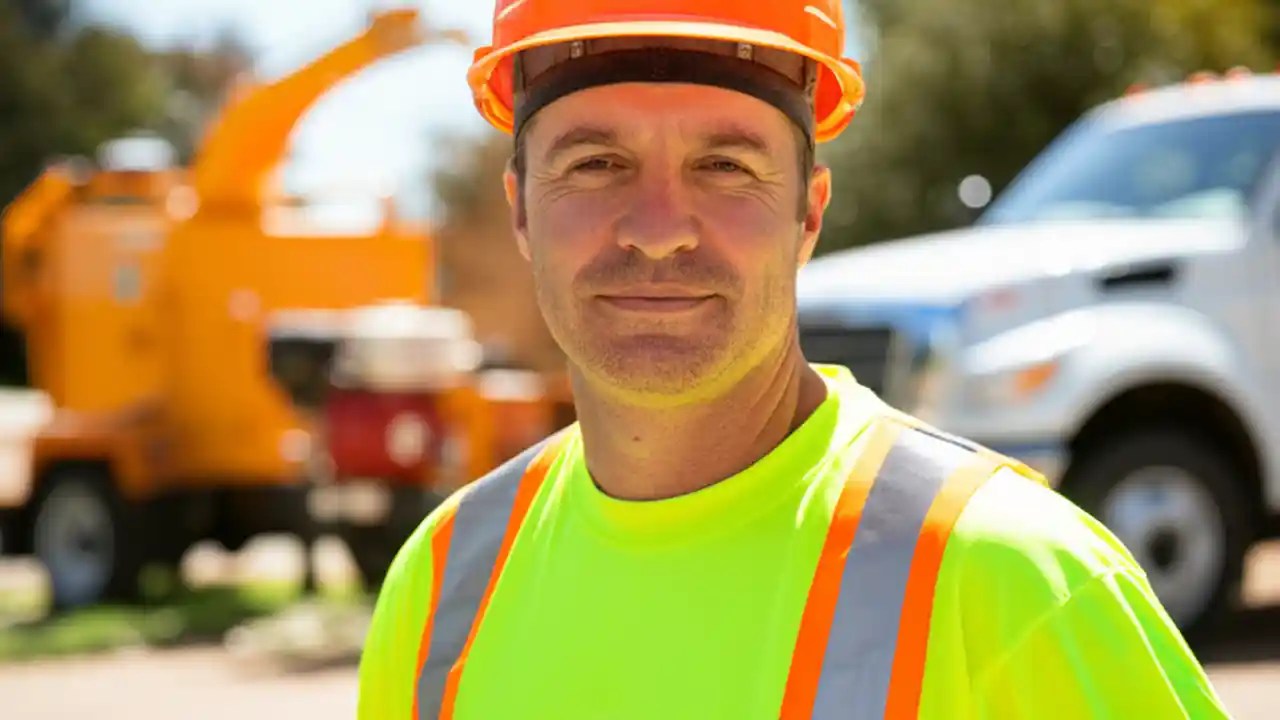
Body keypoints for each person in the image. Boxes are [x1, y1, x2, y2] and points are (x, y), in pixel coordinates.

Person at [358, 2, 1232, 718]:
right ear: (520, 211)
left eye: (725, 166)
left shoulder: (1014, 578)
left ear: (808, 213)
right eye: (595, 163)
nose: (659, 230)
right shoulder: (442, 586)